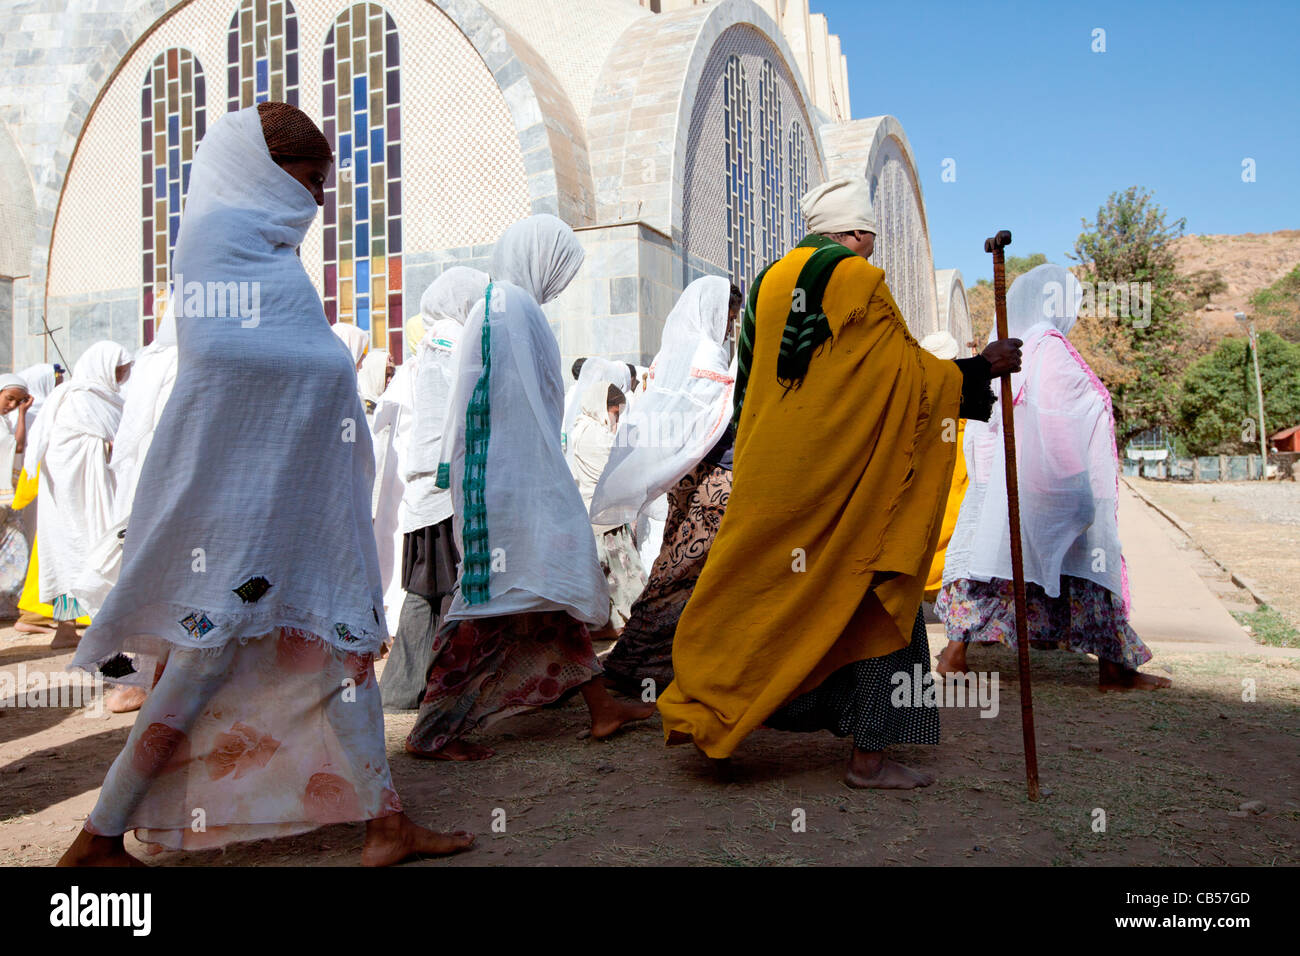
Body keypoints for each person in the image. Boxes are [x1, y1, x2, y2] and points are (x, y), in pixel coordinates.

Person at [58, 102, 472, 867]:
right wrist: (323, 374)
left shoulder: (272, 258)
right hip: (245, 507)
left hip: (305, 504)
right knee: (203, 661)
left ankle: (385, 825)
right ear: (265, 170)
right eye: (311, 182)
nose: (318, 203)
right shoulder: (219, 243)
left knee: (344, 648)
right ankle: (99, 835)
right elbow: (228, 364)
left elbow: (280, 361)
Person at [655, 177, 1020, 789]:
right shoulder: (855, 280)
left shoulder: (773, 279)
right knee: (877, 601)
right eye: (871, 235)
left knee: (756, 598)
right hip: (839, 484)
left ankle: (717, 710)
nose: (873, 246)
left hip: (774, 475)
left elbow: (775, 383)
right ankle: (868, 760)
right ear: (856, 232)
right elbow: (899, 377)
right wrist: (981, 368)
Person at [404, 214, 655, 762]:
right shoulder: (507, 308)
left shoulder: (511, 306)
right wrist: (541, 484)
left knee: (550, 595)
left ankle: (601, 709)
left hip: (519, 481)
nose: (562, 282)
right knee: (483, 606)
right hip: (508, 489)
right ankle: (429, 733)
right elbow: (496, 409)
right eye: (560, 267)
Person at [935, 264, 1171, 692]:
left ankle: (954, 654)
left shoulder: (1005, 351)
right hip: (1055, 483)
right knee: (1089, 566)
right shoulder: (1052, 351)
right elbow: (1065, 420)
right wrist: (1077, 487)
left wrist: (989, 485)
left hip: (998, 483)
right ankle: (1114, 672)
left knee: (987, 565)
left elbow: (985, 426)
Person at [591, 276, 738, 696]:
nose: (729, 326)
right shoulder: (709, 353)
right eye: (727, 316)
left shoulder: (669, 354)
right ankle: (640, 665)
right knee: (684, 574)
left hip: (684, 480)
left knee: (675, 570)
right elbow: (712, 421)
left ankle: (655, 663)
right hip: (711, 481)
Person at [381, 266, 488, 710]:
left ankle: (403, 691)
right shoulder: (448, 337)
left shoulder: (436, 338)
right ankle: (443, 692)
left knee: (426, 587)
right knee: (444, 589)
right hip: (442, 484)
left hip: (428, 484)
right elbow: (451, 409)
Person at [27, 341, 132, 650]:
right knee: (70, 555)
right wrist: (104, 447)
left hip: (102, 490)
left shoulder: (109, 400)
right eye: (117, 371)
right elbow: (58, 448)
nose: (121, 377)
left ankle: (104, 626)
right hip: (71, 495)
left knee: (102, 553)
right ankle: (65, 629)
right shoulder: (75, 399)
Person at [569, 378, 645, 634]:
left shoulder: (585, 427)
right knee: (617, 575)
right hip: (602, 516)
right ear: (602, 407)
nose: (615, 420)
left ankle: (612, 623)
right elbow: (614, 468)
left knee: (613, 575)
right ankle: (612, 624)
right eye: (614, 414)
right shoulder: (592, 433)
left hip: (599, 513)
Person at [919, 330, 969, 604]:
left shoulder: (918, 385)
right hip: (957, 469)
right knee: (955, 530)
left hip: (934, 471)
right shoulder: (959, 383)